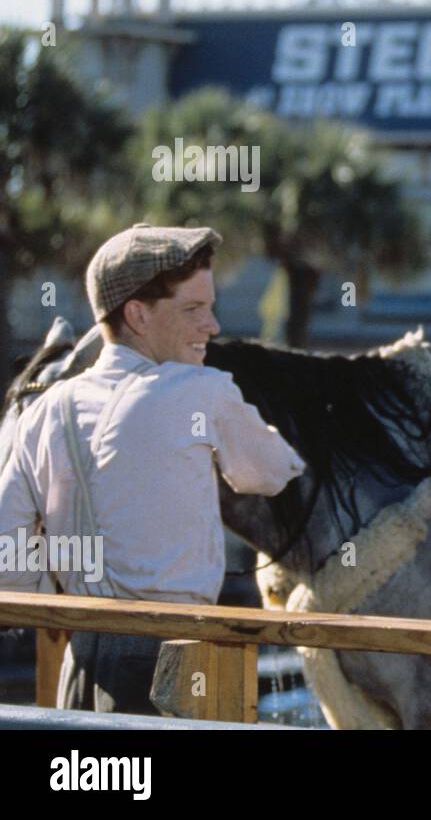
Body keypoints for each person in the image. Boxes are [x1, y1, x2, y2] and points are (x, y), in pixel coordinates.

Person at [0, 224, 305, 714]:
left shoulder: (43, 409)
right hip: (178, 664)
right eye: (194, 309)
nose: (213, 326)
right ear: (137, 315)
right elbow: (273, 472)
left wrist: (66, 578)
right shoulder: (202, 391)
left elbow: (8, 570)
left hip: (78, 668)